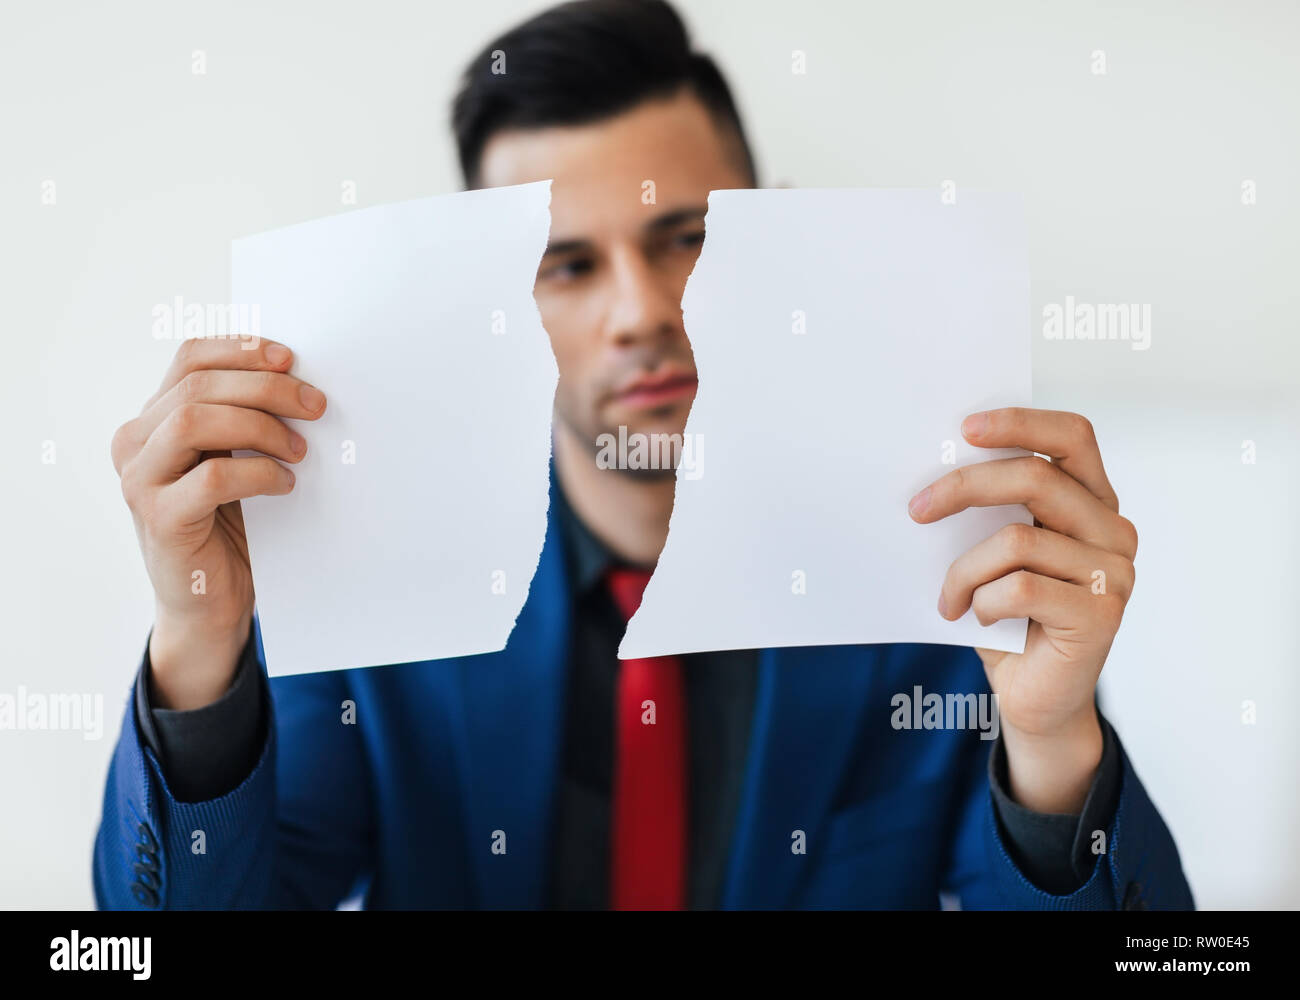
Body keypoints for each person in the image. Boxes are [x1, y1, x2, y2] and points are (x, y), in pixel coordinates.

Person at [94, 0, 1192, 910]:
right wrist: (198, 638)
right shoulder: (383, 629)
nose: (642, 311)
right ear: (498, 302)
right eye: (567, 264)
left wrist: (1052, 742)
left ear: (781, 241)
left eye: (687, 236)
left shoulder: (937, 594)